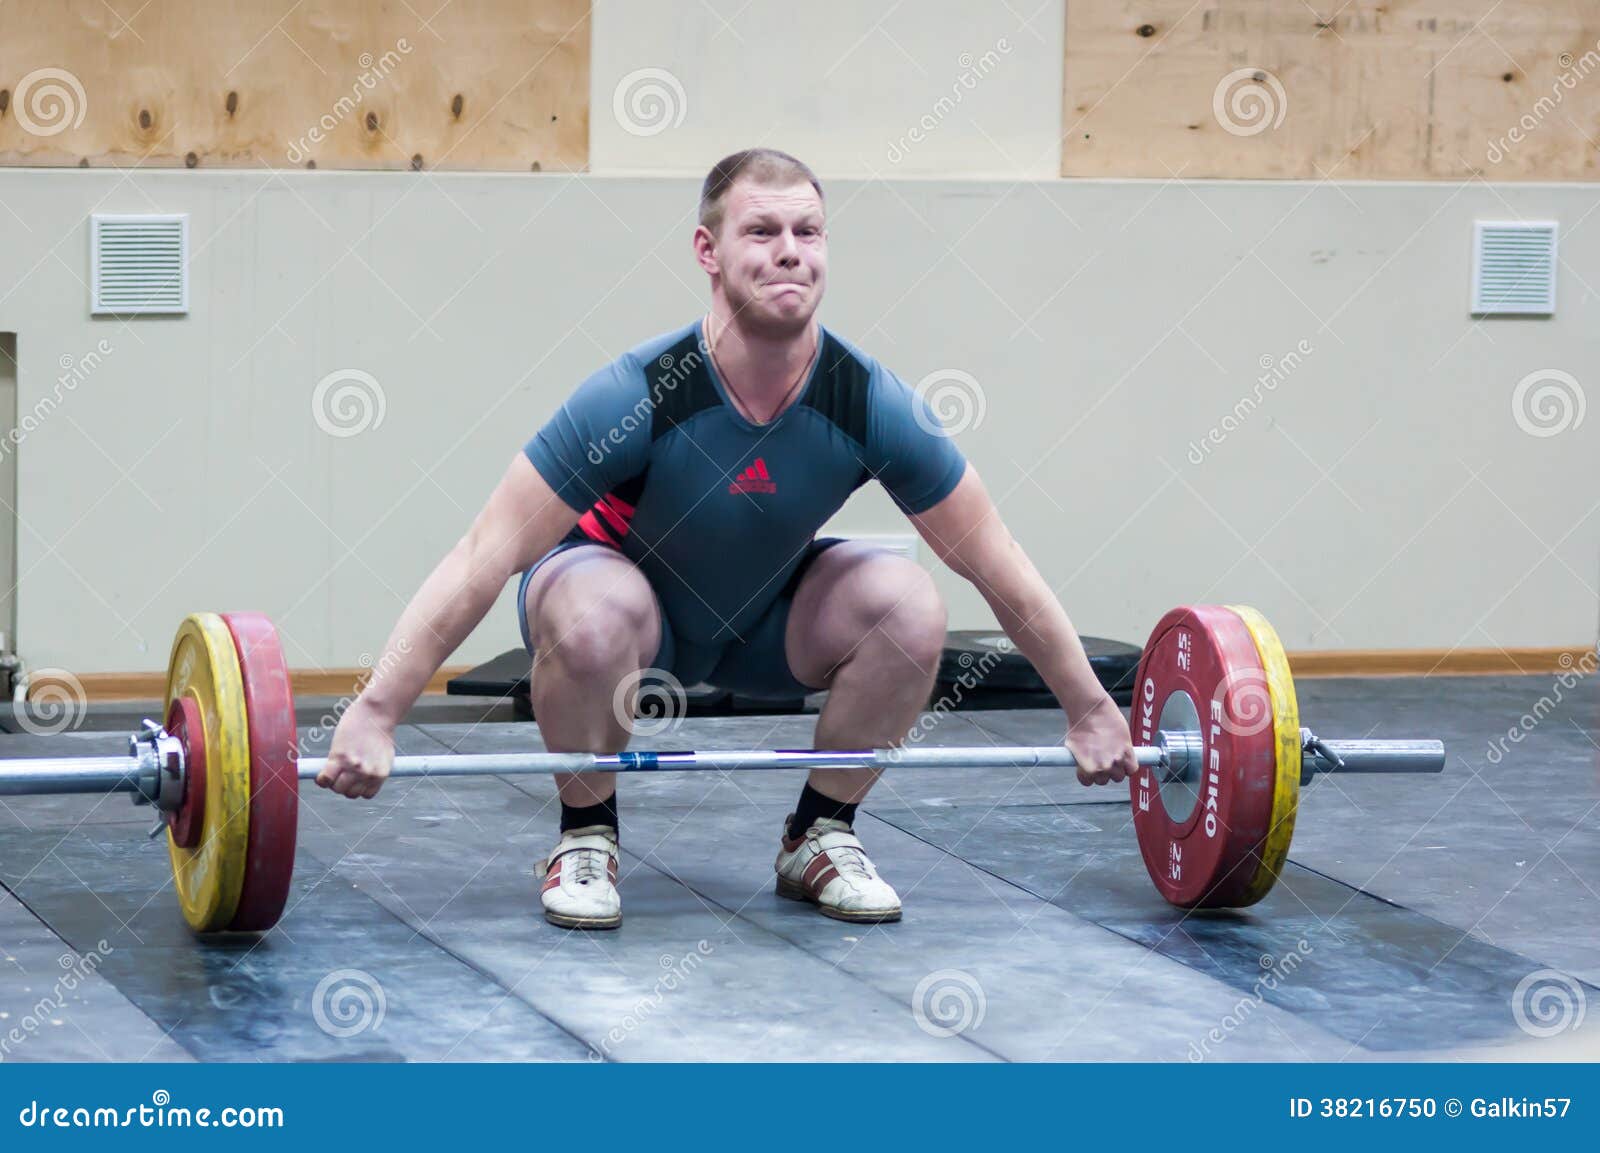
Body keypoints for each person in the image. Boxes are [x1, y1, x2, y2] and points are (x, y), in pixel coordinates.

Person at [321, 148, 1138, 930]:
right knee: (595, 608)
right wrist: (377, 709)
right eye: (762, 232)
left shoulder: (867, 400)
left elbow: (993, 558)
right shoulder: (637, 393)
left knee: (910, 601)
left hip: (766, 626)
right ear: (707, 251)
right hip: (623, 622)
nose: (790, 253)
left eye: (807, 233)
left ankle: (819, 833)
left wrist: (1093, 709)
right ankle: (587, 836)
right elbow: (484, 554)